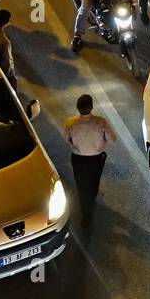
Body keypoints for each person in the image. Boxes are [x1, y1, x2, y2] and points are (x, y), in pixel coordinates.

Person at [64, 93, 117, 224]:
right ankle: (92, 197)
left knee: (81, 185)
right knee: (94, 180)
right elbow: (112, 139)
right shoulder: (100, 122)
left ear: (77, 107)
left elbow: (66, 139)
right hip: (96, 158)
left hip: (78, 159)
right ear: (92, 107)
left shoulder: (70, 123)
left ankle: (86, 213)